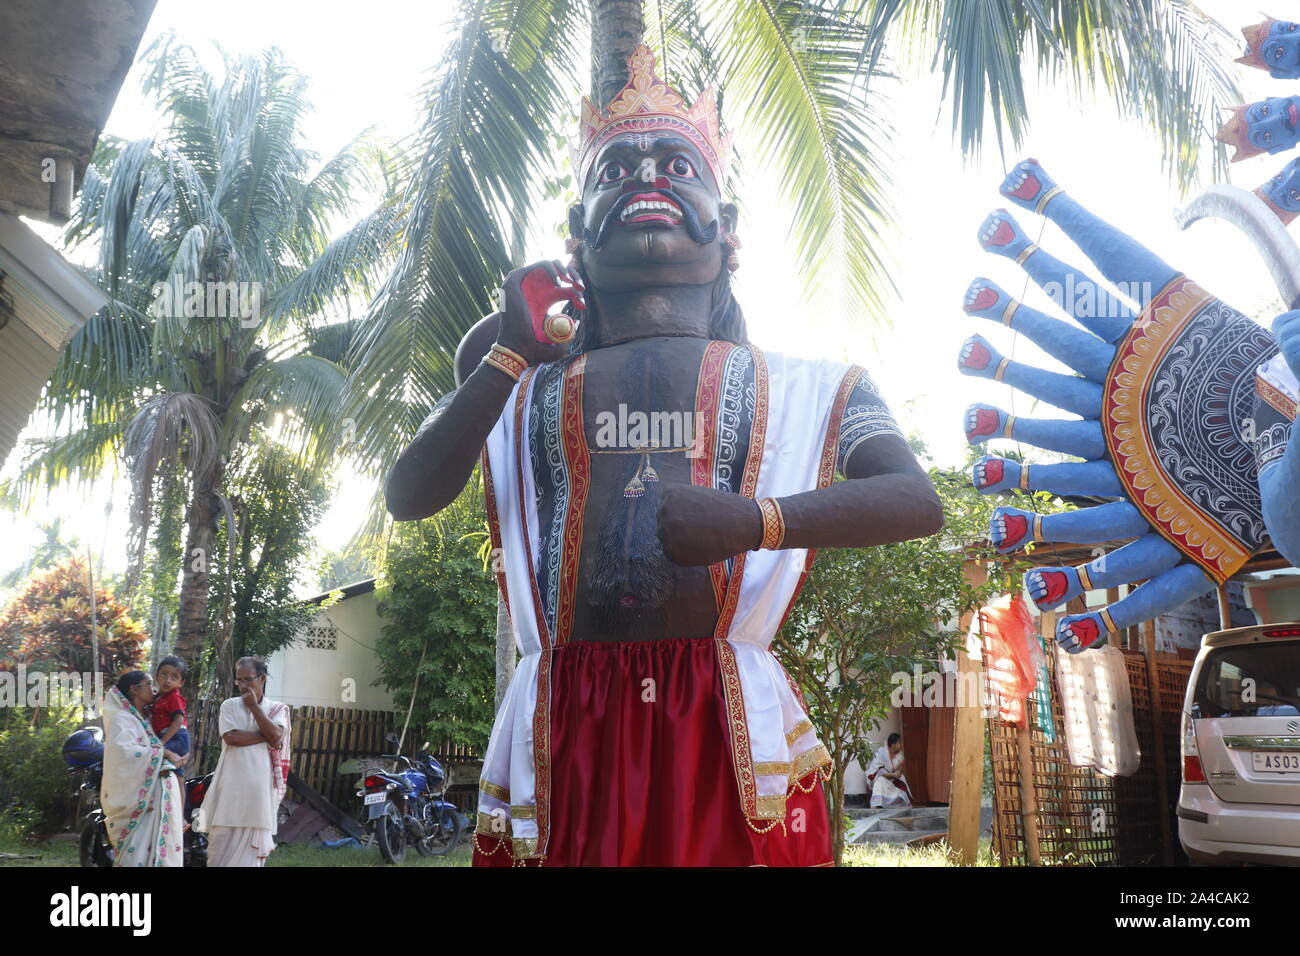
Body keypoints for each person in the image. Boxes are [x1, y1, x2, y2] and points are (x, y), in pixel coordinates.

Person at [386, 46, 942, 867]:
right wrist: (507, 349)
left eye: (678, 163)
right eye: (614, 170)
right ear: (577, 234)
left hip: (720, 718)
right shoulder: (519, 376)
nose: (645, 177)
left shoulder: (812, 386)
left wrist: (755, 519)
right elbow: (408, 494)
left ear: (728, 226)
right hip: (561, 721)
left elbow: (917, 501)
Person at [193, 656, 291, 867]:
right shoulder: (229, 706)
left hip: (259, 794)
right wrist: (267, 735)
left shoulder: (278, 709)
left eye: (248, 679)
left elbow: (277, 737)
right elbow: (232, 738)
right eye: (239, 680)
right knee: (218, 852)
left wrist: (255, 708)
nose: (243, 686)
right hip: (228, 789)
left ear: (262, 679)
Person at [100, 670, 185, 866]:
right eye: (149, 684)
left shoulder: (144, 719)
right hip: (142, 801)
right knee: (137, 854)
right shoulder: (121, 719)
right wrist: (162, 753)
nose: (154, 689)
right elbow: (124, 755)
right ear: (134, 689)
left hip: (158, 796)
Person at [151, 656, 189, 769]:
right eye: (164, 674)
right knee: (178, 773)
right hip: (169, 736)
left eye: (174, 677)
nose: (168, 680)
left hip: (176, 738)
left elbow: (179, 720)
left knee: (153, 754)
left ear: (181, 682)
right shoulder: (159, 697)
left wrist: (162, 741)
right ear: (156, 676)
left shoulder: (174, 697)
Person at [866, 733, 912, 808]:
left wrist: (898, 772)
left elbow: (899, 769)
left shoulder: (900, 756)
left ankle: (897, 805)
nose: (902, 745)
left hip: (892, 779)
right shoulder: (882, 753)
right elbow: (879, 771)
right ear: (893, 744)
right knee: (880, 781)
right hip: (878, 777)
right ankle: (878, 805)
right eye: (900, 742)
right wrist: (893, 775)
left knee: (902, 778)